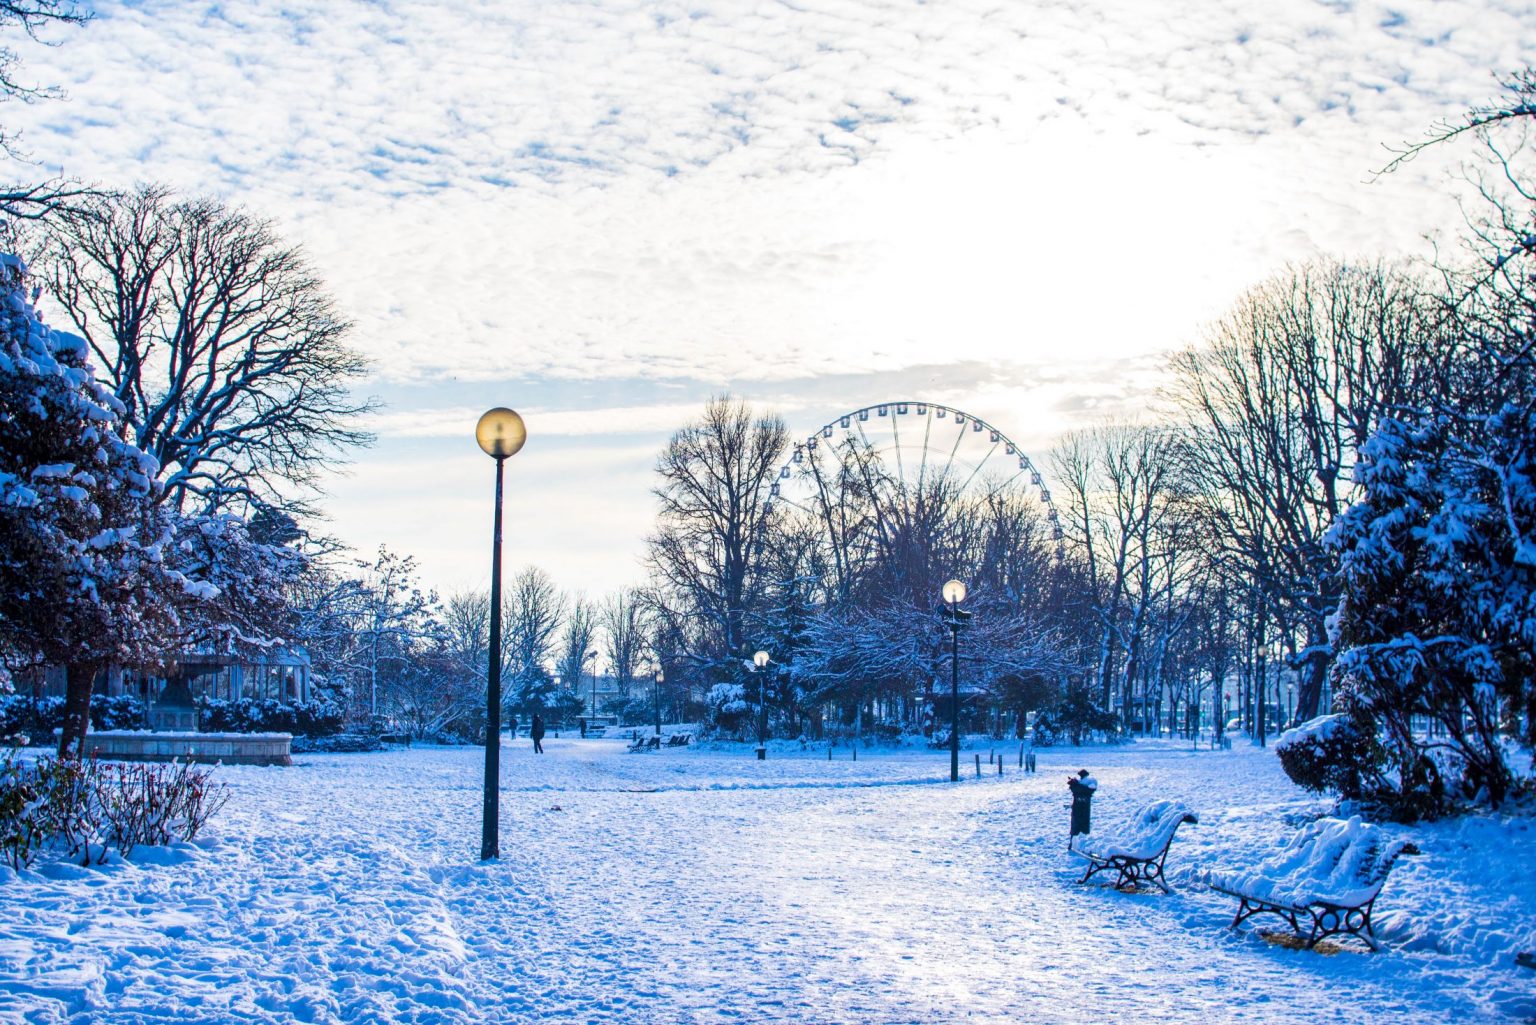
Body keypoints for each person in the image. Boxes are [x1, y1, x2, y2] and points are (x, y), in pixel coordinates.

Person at [1067, 768, 1097, 848]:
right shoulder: (1088, 784)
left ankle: (1074, 843)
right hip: (1083, 806)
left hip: (1077, 806)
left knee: (1076, 824)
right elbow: (1090, 789)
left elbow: (1078, 789)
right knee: (1082, 824)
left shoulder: (1079, 785)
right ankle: (1081, 843)